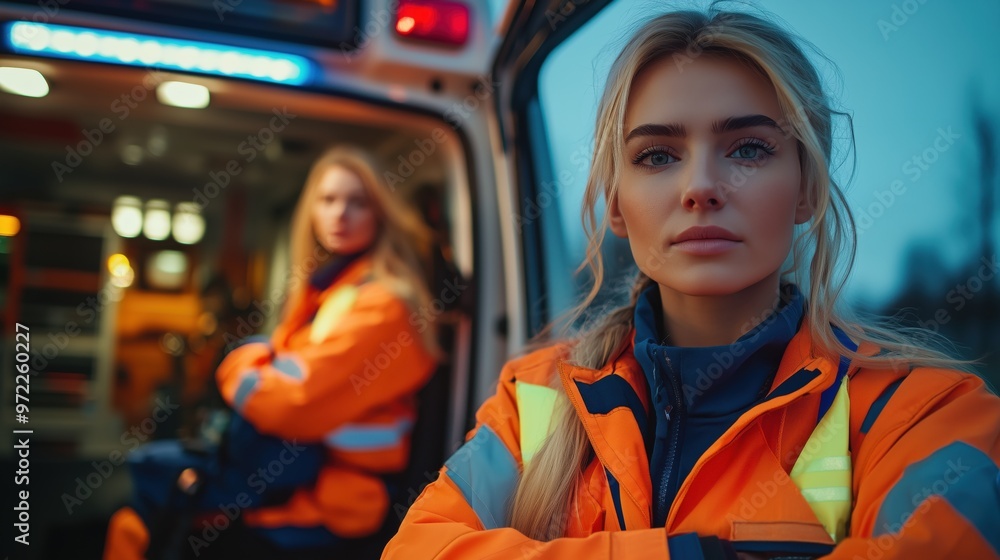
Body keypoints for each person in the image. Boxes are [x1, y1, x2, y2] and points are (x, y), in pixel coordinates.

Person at [383, 7, 1000, 560]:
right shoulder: (534, 400)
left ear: (807, 189)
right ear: (615, 204)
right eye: (658, 155)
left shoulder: (926, 412)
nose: (701, 187)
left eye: (749, 149)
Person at [105, 146, 441, 559]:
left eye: (358, 202)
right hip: (289, 476)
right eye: (328, 200)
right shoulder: (329, 290)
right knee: (147, 486)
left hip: (336, 498)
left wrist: (238, 359)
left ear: (381, 213)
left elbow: (294, 404)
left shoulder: (383, 304)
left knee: (151, 496)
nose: (340, 214)